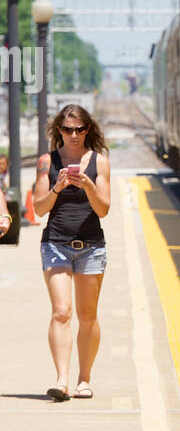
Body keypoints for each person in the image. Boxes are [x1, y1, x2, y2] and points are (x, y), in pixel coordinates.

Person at [32, 103, 111, 401]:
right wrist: (57, 187)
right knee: (61, 312)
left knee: (87, 315)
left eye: (79, 129)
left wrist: (88, 185)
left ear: (87, 129)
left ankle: (83, 380)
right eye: (67, 130)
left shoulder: (99, 163)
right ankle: (62, 379)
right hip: (55, 243)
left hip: (91, 246)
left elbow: (103, 209)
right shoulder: (47, 162)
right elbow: (39, 209)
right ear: (59, 131)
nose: (73, 135)